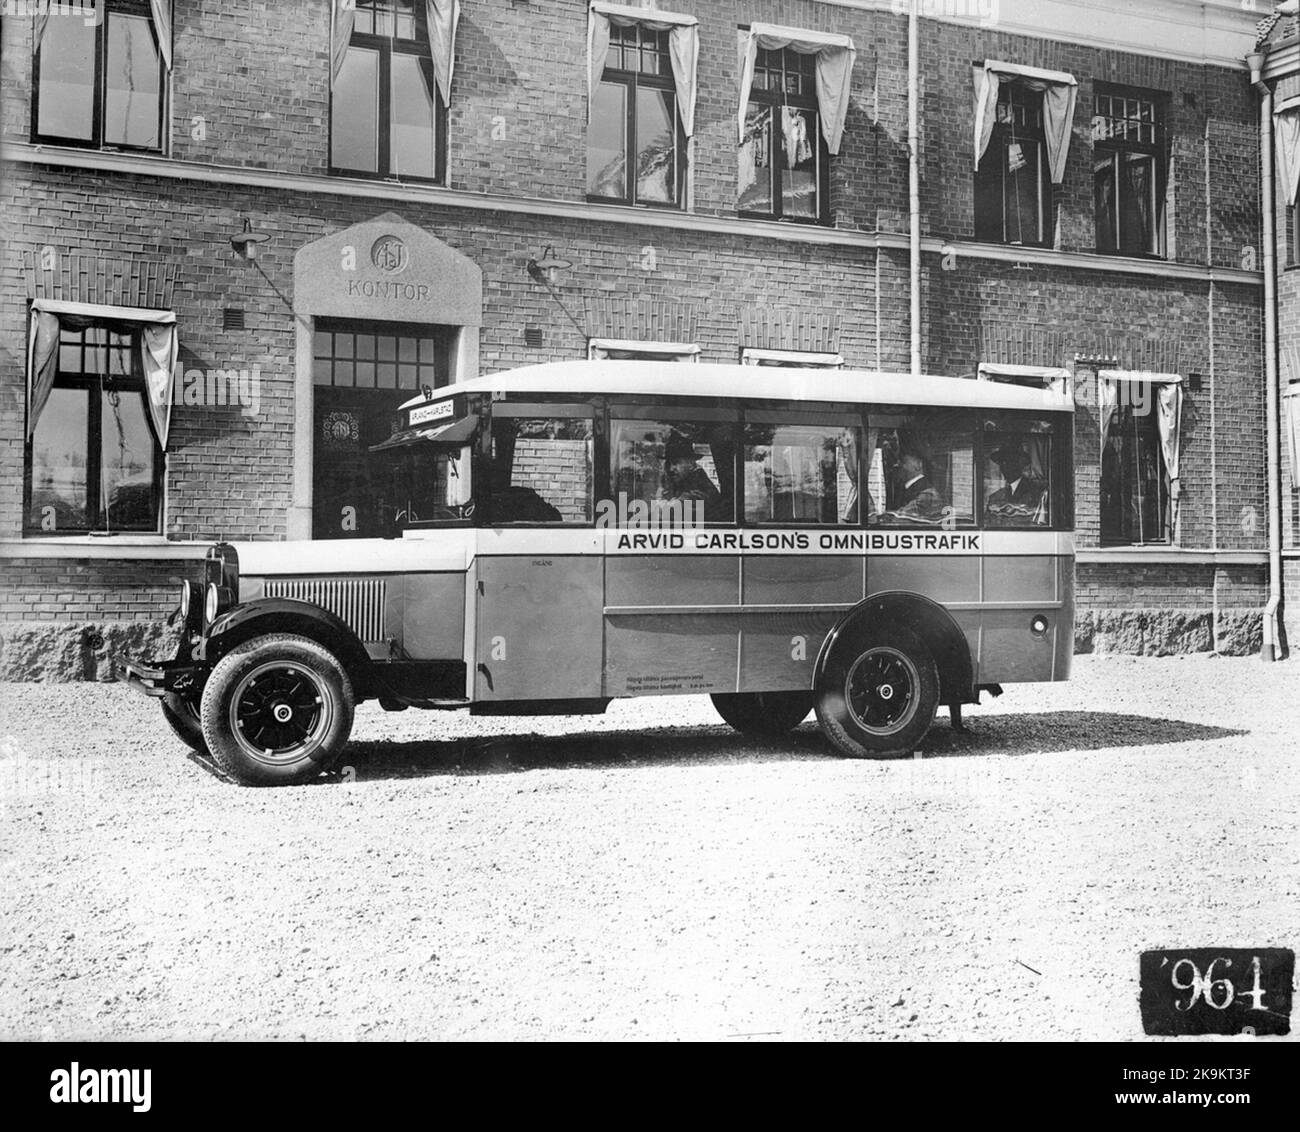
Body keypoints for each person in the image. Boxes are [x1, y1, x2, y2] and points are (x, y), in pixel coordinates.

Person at [663, 433, 723, 520]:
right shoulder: (680, 482)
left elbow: (669, 510)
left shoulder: (700, 486)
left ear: (691, 463)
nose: (671, 469)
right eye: (668, 464)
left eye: (676, 462)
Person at [985, 445, 1046, 526]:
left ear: (1020, 465)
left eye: (1009, 462)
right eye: (1002, 463)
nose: (1004, 467)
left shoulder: (1036, 493)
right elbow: (987, 524)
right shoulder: (995, 497)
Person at [892, 451, 946, 522]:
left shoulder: (927, 493)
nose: (899, 466)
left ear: (919, 465)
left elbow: (900, 519)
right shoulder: (903, 489)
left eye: (904, 462)